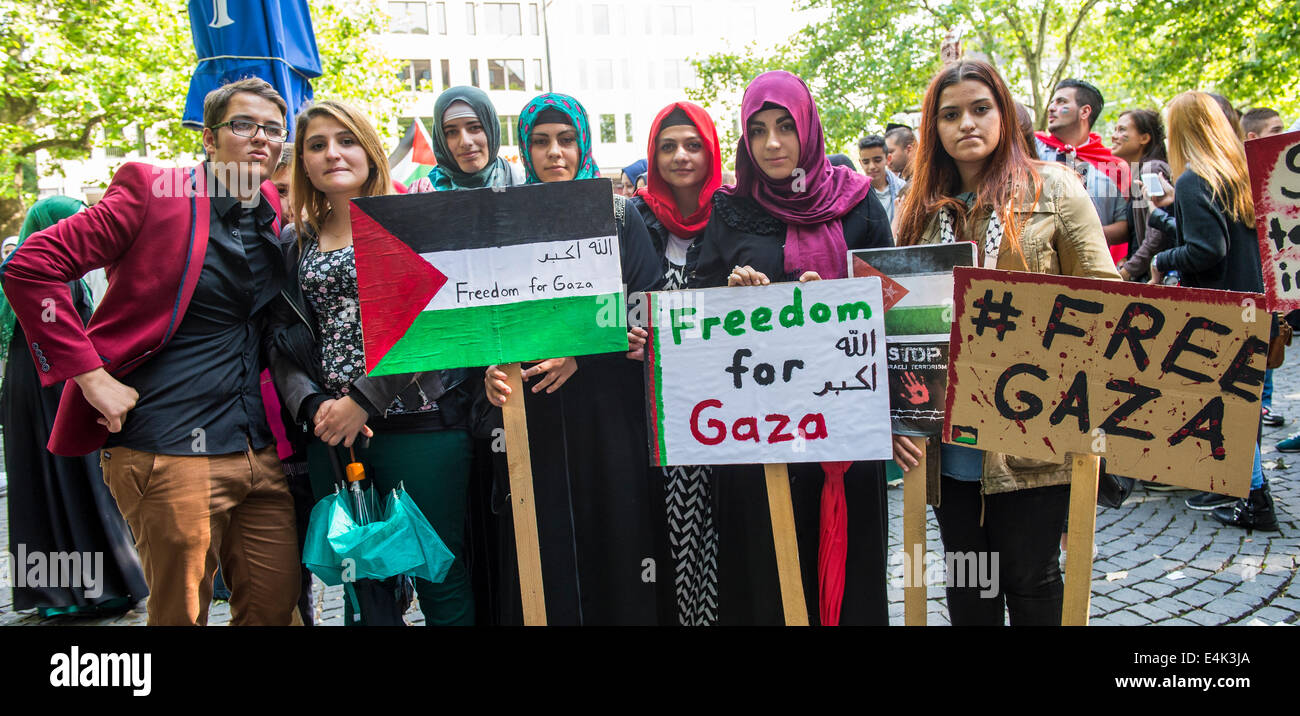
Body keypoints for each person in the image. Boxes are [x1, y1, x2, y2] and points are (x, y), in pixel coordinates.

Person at [0, 78, 300, 626]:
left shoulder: (270, 206)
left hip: (256, 446)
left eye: (273, 129)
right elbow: (30, 266)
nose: (261, 138)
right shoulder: (153, 191)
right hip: (167, 444)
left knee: (275, 606)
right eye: (243, 125)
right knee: (180, 616)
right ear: (209, 138)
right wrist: (91, 376)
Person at [892, 59, 1119, 625]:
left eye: (980, 108)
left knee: (1032, 578)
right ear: (934, 128)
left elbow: (1106, 301)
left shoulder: (1055, 188)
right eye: (950, 115)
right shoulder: (918, 209)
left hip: (1035, 433)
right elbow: (892, 319)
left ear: (1003, 114)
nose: (966, 123)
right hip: (947, 444)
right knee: (970, 584)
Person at [265, 100, 479, 625]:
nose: (332, 154)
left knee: (439, 574)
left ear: (370, 149)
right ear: (303, 162)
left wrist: (362, 400)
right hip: (333, 436)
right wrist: (314, 405)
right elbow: (280, 339)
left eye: (346, 141)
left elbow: (434, 325)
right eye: (317, 145)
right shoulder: (294, 242)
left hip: (422, 427)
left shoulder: (413, 225)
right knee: (361, 584)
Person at [692, 70, 893, 626]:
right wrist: (735, 297)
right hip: (756, 430)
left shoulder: (859, 203)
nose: (773, 143)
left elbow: (891, 303)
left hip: (847, 423)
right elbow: (696, 310)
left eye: (785, 126)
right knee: (766, 572)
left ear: (808, 127)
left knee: (852, 578)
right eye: (757, 131)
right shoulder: (729, 209)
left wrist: (833, 300)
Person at [482, 92, 666, 625]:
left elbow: (644, 304)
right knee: (544, 540)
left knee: (615, 532)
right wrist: (488, 367)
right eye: (541, 142)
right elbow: (483, 312)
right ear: (525, 150)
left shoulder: (618, 214)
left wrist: (581, 355)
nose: (554, 152)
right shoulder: (504, 221)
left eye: (566, 139)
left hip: (606, 407)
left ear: (583, 143)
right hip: (531, 406)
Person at [1, 196, 148, 618]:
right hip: (57, 386)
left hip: (33, 388)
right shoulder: (51, 276)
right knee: (76, 481)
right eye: (74, 220)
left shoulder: (36, 273)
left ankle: (62, 594)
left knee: (48, 484)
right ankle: (96, 590)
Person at [1146, 91, 1279, 531]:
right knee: (1242, 401)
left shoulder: (1194, 178)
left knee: (1228, 402)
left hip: (1221, 309)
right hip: (1254, 300)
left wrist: (1162, 259)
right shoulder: (1239, 173)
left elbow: (1206, 249)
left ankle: (1254, 498)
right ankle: (1240, 488)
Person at [624, 100, 724, 625]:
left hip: (728, 412)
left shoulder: (736, 217)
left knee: (722, 536)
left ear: (711, 152)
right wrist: (623, 333)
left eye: (692, 145)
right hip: (652, 414)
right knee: (664, 534)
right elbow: (615, 303)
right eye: (668, 147)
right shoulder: (633, 222)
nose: (681, 156)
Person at [1036, 78, 1131, 265]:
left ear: (1085, 111)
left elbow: (1125, 226)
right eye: (1052, 102)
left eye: (1061, 102)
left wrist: (1080, 235)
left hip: (1090, 266)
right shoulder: (1032, 149)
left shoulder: (1113, 166)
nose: (1051, 108)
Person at [410, 86, 524, 193]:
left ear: (491, 130)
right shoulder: (425, 191)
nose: (465, 142)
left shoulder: (520, 181)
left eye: (474, 128)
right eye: (452, 132)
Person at [1111, 109, 1172, 283]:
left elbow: (1158, 234)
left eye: (1122, 130)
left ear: (1144, 138)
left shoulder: (1152, 170)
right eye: (1115, 130)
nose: (1114, 136)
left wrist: (1128, 272)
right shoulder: (1139, 171)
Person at [858, 134, 907, 225]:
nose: (872, 166)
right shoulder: (857, 195)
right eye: (866, 162)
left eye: (877, 160)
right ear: (860, 163)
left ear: (888, 159)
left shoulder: (902, 188)